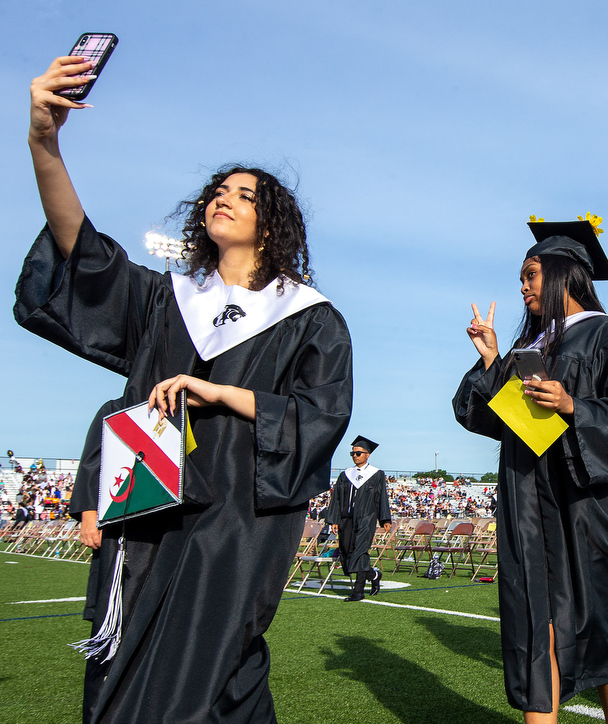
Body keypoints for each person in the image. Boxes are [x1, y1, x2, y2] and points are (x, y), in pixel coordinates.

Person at [16, 57, 353, 723]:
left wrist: (222, 394)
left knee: (207, 680)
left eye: (245, 194)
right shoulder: (165, 298)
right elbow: (82, 253)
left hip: (232, 528)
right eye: (218, 190)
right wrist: (44, 143)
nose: (222, 197)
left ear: (273, 222)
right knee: (127, 682)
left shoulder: (310, 317)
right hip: (144, 511)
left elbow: (321, 415)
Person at [453, 218, 608, 724]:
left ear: (564, 273)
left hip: (580, 503)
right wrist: (493, 360)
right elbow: (484, 417)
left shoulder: (605, 334)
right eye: (521, 277)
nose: (523, 287)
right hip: (524, 499)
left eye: (531, 274)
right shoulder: (531, 349)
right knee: (533, 621)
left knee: (595, 615)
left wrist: (571, 405)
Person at [326, 436, 392, 601]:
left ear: (367, 455)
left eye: (358, 453)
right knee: (347, 553)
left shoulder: (376, 474)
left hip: (366, 519)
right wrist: (334, 519)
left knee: (360, 552)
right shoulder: (345, 475)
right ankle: (374, 575)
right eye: (353, 453)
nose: (355, 456)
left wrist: (385, 519)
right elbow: (337, 499)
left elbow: (381, 498)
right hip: (345, 519)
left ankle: (358, 591)